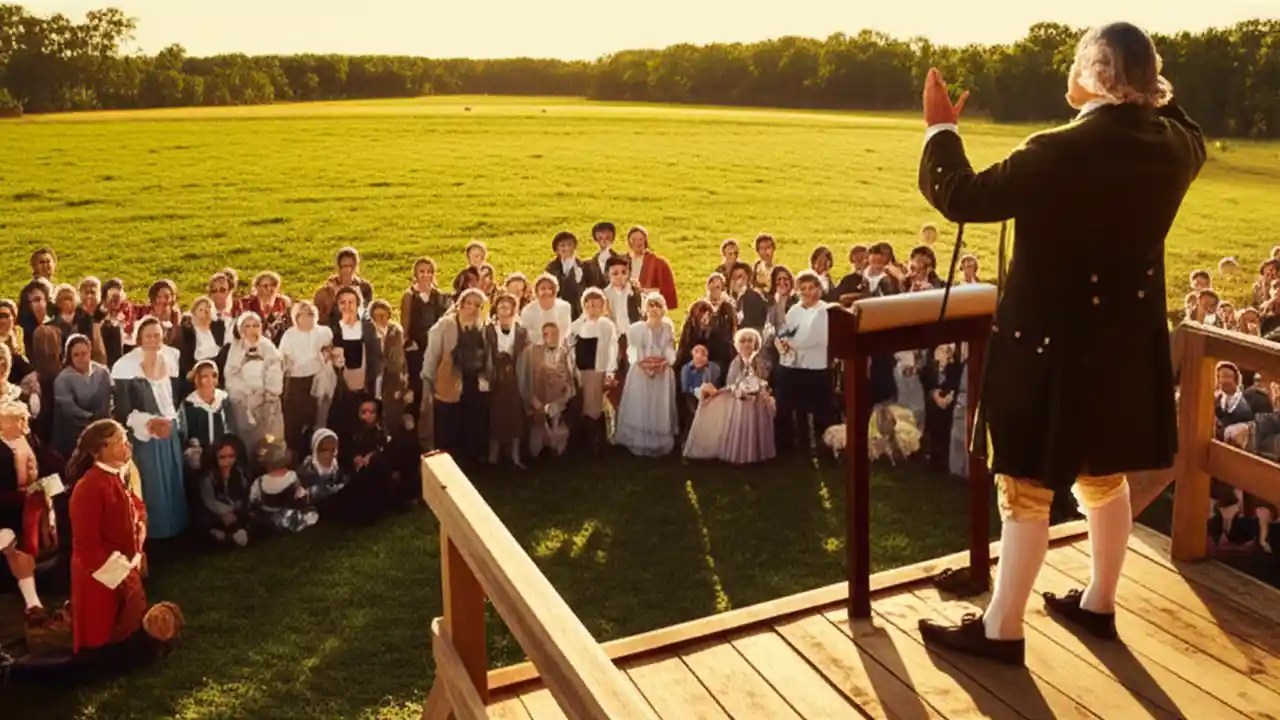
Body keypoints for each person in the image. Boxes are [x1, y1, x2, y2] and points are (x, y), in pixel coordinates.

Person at [914, 23, 1205, 665]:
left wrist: (940, 130)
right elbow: (1182, 119)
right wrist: (1148, 82)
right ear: (1149, 84)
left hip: (1048, 346)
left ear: (1095, 76)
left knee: (1025, 486)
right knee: (1102, 475)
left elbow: (962, 196)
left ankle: (1001, 628)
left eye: (1078, 63)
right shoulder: (1177, 146)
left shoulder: (1057, 150)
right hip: (1125, 347)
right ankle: (1099, 603)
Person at [111, 317, 188, 540]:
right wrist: (149, 422)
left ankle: (176, 528)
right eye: (148, 336)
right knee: (151, 483)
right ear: (139, 339)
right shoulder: (126, 367)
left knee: (172, 477)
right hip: (145, 436)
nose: (154, 340)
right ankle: (152, 532)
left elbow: (173, 398)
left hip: (169, 431)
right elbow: (124, 411)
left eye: (157, 335)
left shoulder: (171, 357)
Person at [423, 288, 489, 465]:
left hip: (472, 381)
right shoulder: (445, 325)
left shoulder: (482, 326)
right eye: (469, 304)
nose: (472, 309)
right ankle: (447, 462)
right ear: (460, 304)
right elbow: (432, 355)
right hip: (448, 381)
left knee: (471, 421)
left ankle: (470, 460)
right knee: (447, 423)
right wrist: (429, 381)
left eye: (477, 305)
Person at [773, 271, 833, 454]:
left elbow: (815, 338)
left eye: (811, 288)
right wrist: (781, 343)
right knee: (790, 407)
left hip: (815, 367)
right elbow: (784, 331)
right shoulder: (795, 310)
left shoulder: (825, 310)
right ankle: (794, 447)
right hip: (792, 365)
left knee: (818, 411)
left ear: (818, 290)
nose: (807, 292)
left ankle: (824, 447)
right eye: (803, 289)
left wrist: (792, 344)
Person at [614, 293, 678, 456]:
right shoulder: (636, 328)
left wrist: (663, 363)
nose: (654, 309)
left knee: (658, 404)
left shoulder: (667, 327)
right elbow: (633, 351)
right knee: (641, 403)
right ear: (645, 308)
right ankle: (639, 440)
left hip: (661, 370)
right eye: (651, 305)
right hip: (641, 370)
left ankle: (658, 439)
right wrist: (644, 366)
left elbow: (669, 348)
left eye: (658, 306)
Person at [400, 257, 451, 438]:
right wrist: (406, 342)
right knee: (417, 386)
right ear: (415, 274)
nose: (426, 275)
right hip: (416, 347)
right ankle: (414, 430)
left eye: (429, 272)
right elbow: (405, 321)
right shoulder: (410, 296)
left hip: (434, 345)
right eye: (422, 271)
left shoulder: (438, 296)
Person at [223, 313, 285, 456]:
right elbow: (232, 374)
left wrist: (270, 390)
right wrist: (247, 394)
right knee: (248, 440)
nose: (252, 329)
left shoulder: (267, 346)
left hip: (267, 400)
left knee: (271, 439)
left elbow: (275, 366)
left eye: (256, 326)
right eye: (248, 326)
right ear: (241, 329)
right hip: (246, 402)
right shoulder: (236, 348)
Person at [278, 300, 334, 457]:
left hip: (317, 380)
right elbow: (283, 359)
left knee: (316, 419)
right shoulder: (289, 335)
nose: (309, 317)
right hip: (296, 382)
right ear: (296, 317)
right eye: (304, 314)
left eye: (311, 313)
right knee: (294, 422)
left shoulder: (324, 332)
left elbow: (329, 351)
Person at [566, 288, 618, 454]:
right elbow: (569, 346)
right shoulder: (577, 325)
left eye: (596, 305)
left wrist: (610, 370)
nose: (592, 308)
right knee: (580, 402)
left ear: (602, 307)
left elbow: (612, 349)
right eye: (588, 305)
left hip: (597, 369)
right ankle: (579, 439)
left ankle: (595, 441)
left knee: (594, 404)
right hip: (580, 370)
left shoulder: (607, 326)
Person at [327, 287, 383, 442]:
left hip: (365, 386)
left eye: (351, 302)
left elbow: (376, 356)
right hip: (342, 390)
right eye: (342, 302)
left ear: (358, 304)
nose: (347, 306)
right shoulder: (333, 328)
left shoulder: (367, 327)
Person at [483, 293, 530, 467]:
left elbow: (523, 355)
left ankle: (515, 456)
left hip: (514, 377)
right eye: (501, 306)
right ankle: (493, 457)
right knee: (495, 416)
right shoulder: (490, 329)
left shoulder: (520, 330)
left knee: (514, 416)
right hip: (496, 377)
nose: (504, 310)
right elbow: (487, 354)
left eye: (507, 306)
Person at [52, 334, 112, 459]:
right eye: (76, 355)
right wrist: (90, 421)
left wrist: (102, 426)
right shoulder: (63, 379)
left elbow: (106, 402)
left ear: (90, 352)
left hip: (101, 427)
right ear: (70, 357)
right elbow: (69, 409)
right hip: (73, 432)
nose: (81, 358)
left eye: (84, 353)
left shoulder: (102, 372)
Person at [248, 436, 318, 533]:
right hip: (287, 513)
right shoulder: (291, 476)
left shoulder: (259, 481)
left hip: (269, 515)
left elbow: (253, 500)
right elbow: (300, 496)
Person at [196, 436, 251, 548]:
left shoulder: (239, 473)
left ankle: (237, 534)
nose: (227, 461)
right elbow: (209, 500)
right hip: (217, 514)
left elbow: (244, 494)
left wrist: (236, 509)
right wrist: (225, 512)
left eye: (231, 457)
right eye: (222, 457)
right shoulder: (208, 477)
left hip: (236, 511)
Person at [369, 299, 408, 432]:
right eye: (376, 316)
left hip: (391, 381)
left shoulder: (395, 331)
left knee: (392, 416)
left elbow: (396, 362)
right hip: (373, 380)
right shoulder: (368, 332)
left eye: (383, 315)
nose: (380, 319)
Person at [545, 231, 600, 319]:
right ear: (557, 249)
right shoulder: (551, 268)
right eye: (562, 245)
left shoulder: (584, 267)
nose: (566, 248)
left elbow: (591, 287)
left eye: (569, 245)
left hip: (580, 310)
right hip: (559, 310)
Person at [177, 296, 230, 384]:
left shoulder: (219, 327)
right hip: (197, 366)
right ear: (194, 313)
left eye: (208, 310)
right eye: (201, 310)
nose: (205, 313)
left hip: (218, 366)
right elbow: (185, 354)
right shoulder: (188, 331)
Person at [319, 247, 375, 328]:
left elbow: (368, 311)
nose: (348, 270)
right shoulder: (328, 288)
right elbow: (324, 315)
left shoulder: (364, 287)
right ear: (339, 267)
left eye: (351, 266)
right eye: (344, 266)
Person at [626, 226, 679, 310]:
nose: (638, 243)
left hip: (649, 307)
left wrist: (642, 291)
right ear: (629, 241)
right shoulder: (622, 261)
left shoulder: (658, 263)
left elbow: (665, 291)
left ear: (645, 241)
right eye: (634, 240)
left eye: (641, 239)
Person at [18, 248, 57, 357]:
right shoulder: (30, 290)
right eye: (41, 262)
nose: (46, 265)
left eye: (48, 261)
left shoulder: (54, 288)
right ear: (34, 267)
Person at [678, 344, 720, 445]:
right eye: (697, 352)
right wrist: (697, 392)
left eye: (703, 353)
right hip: (692, 395)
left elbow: (716, 384)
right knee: (692, 410)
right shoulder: (687, 369)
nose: (700, 356)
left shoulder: (714, 368)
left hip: (711, 396)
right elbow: (686, 388)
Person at [519, 274, 572, 348]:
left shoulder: (564, 307)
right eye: (543, 289)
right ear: (536, 291)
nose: (547, 291)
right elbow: (526, 335)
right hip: (535, 348)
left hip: (559, 347)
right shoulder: (528, 310)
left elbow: (565, 331)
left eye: (550, 288)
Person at [296, 428, 347, 505]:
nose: (332, 454)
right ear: (316, 449)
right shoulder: (306, 471)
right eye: (325, 450)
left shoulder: (338, 468)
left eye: (333, 449)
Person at [241, 271, 292, 345]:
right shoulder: (247, 303)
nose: (269, 288)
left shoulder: (283, 302)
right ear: (257, 287)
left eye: (273, 285)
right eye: (265, 286)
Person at [98, 279, 133, 367]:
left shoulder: (125, 317)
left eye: (119, 298)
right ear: (104, 299)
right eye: (113, 299)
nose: (116, 303)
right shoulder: (101, 321)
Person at [728, 262, 768, 332]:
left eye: (740, 277)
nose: (736, 281)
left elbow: (752, 325)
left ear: (748, 279)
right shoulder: (728, 300)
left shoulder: (754, 298)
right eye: (733, 277)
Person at [587, 221, 621, 288]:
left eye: (607, 238)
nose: (604, 241)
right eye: (600, 238)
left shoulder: (622, 260)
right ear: (596, 239)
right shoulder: (588, 265)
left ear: (613, 238)